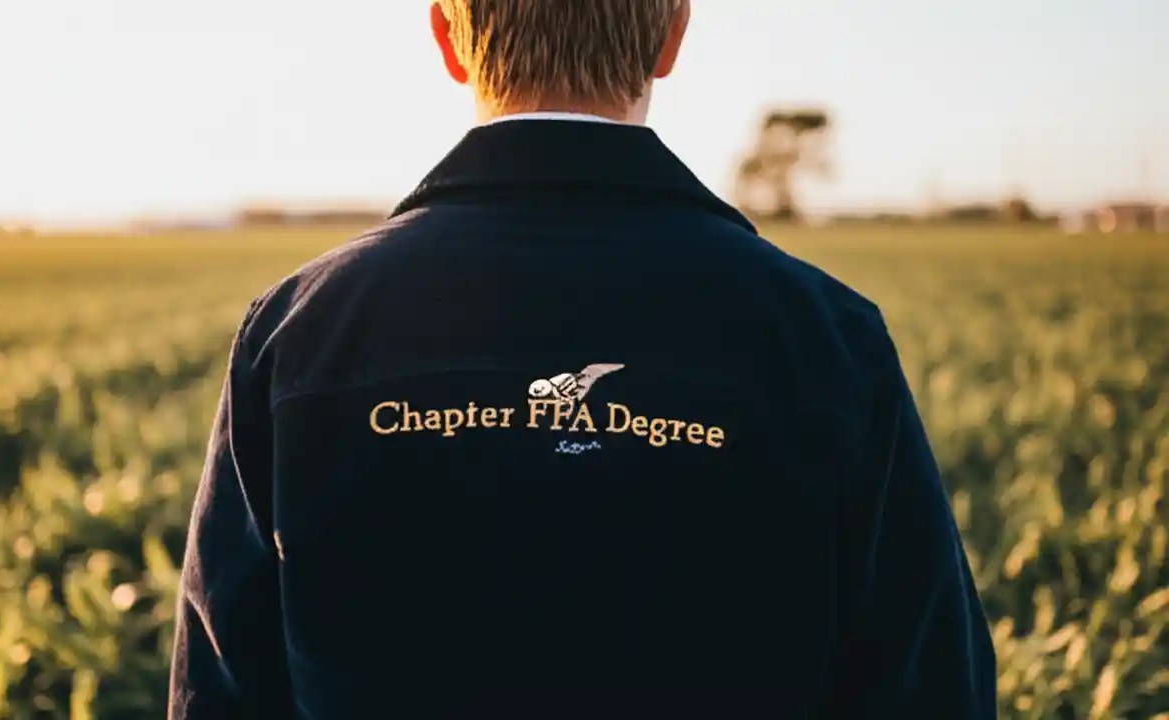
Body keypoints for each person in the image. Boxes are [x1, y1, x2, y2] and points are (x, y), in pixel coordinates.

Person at [168, 1, 997, 717]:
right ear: (673, 36)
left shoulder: (297, 331)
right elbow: (927, 687)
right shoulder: (831, 338)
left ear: (447, 41)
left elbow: (224, 692)